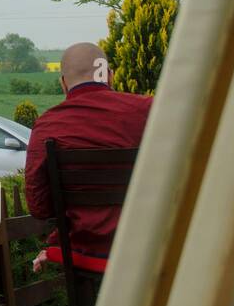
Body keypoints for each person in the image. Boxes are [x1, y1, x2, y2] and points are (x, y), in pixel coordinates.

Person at [24, 42, 152, 268]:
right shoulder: (149, 110)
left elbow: (39, 207)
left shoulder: (46, 126)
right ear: (109, 76)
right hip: (150, 248)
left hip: (85, 256)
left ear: (63, 83)